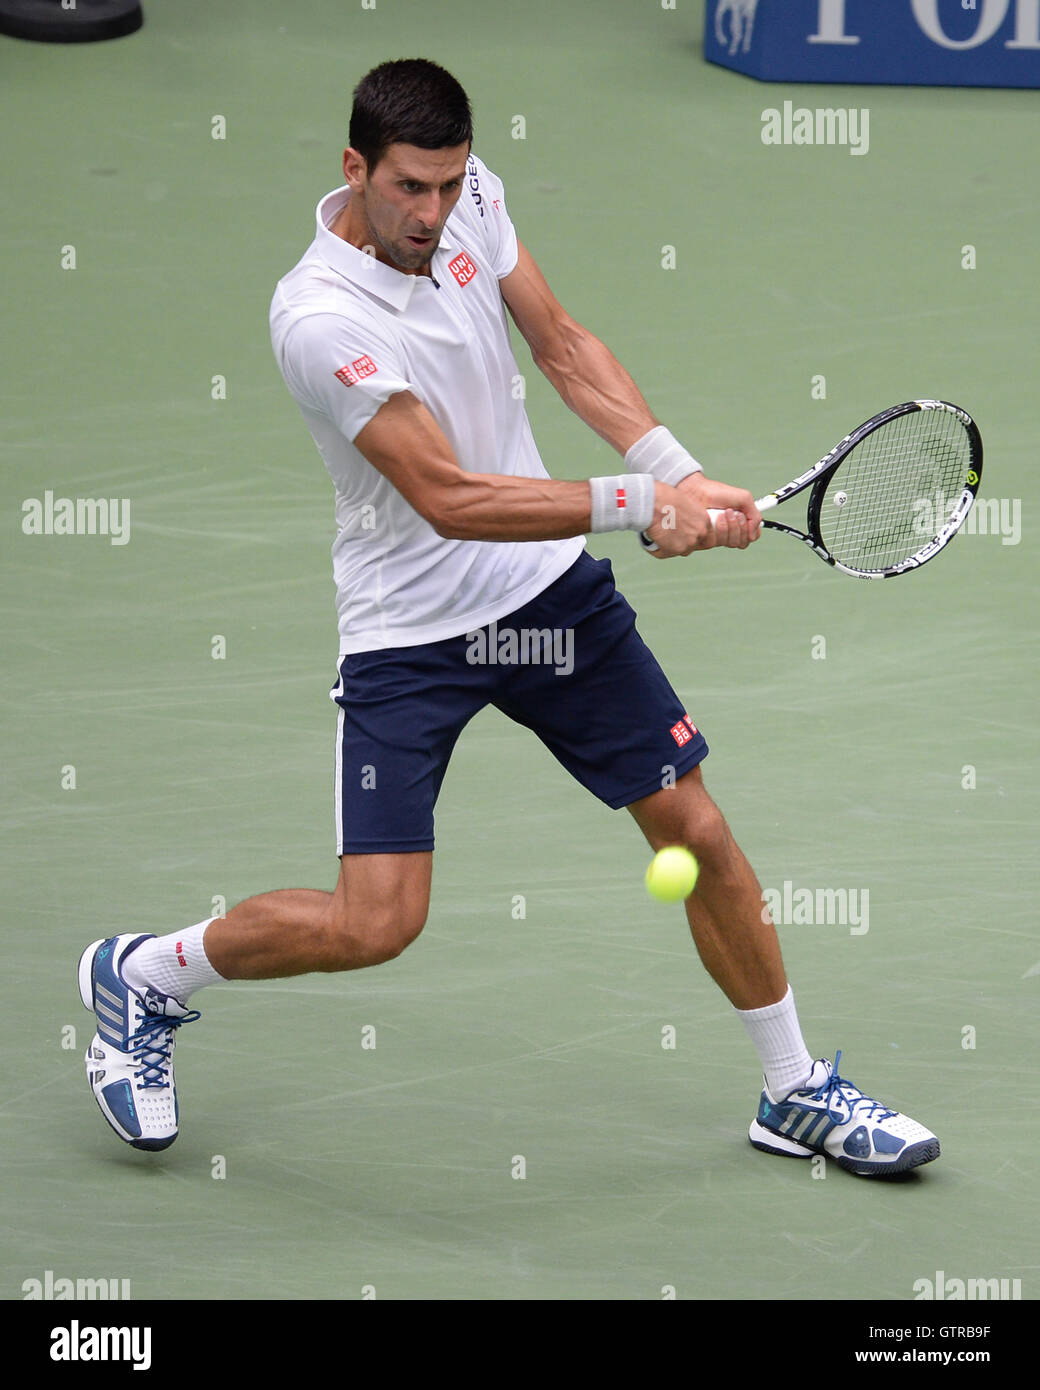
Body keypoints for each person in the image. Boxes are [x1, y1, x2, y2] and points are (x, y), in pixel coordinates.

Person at [78, 58, 938, 1178]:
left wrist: (676, 467)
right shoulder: (318, 317)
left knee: (699, 832)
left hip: (546, 599)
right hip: (410, 632)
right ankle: (144, 974)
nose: (432, 213)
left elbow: (562, 344)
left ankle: (793, 1092)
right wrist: (639, 506)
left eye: (448, 183)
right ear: (354, 169)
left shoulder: (474, 199)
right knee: (374, 922)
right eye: (408, 190)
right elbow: (447, 497)